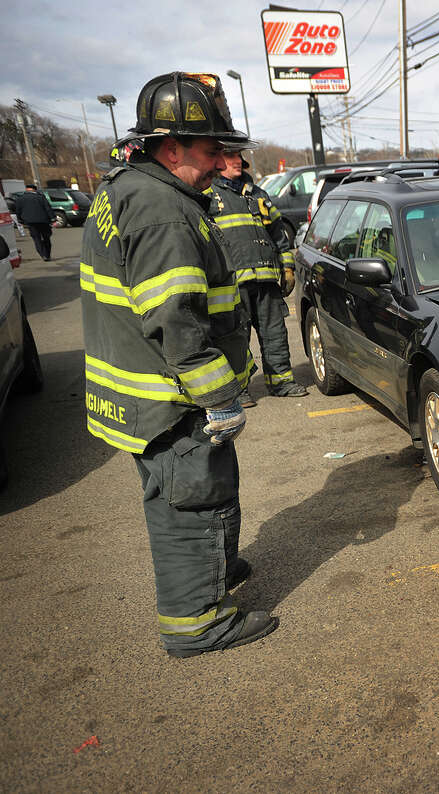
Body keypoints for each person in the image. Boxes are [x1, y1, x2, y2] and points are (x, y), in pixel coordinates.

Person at [79, 72, 277, 658]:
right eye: (212, 149)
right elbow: (178, 321)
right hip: (171, 399)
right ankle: (196, 621)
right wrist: (218, 398)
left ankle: (213, 569)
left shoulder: (128, 189)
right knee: (193, 500)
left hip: (141, 392)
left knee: (185, 495)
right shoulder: (164, 212)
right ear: (172, 148)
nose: (222, 163)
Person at [207, 153, 306, 406]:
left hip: (265, 278)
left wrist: (287, 268)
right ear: (217, 162)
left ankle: (281, 382)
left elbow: (279, 236)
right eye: (229, 157)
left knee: (275, 332)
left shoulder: (258, 194)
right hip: (232, 283)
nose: (236, 161)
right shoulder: (208, 196)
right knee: (234, 337)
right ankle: (239, 390)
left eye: (238, 157)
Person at [13, 184, 53, 260]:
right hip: (43, 221)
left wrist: (20, 220)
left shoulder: (20, 199)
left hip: (30, 222)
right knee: (46, 238)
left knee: (36, 239)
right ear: (34, 190)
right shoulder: (40, 197)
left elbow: (18, 210)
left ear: (26, 190)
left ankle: (43, 255)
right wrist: (53, 218)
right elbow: (48, 208)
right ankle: (47, 254)